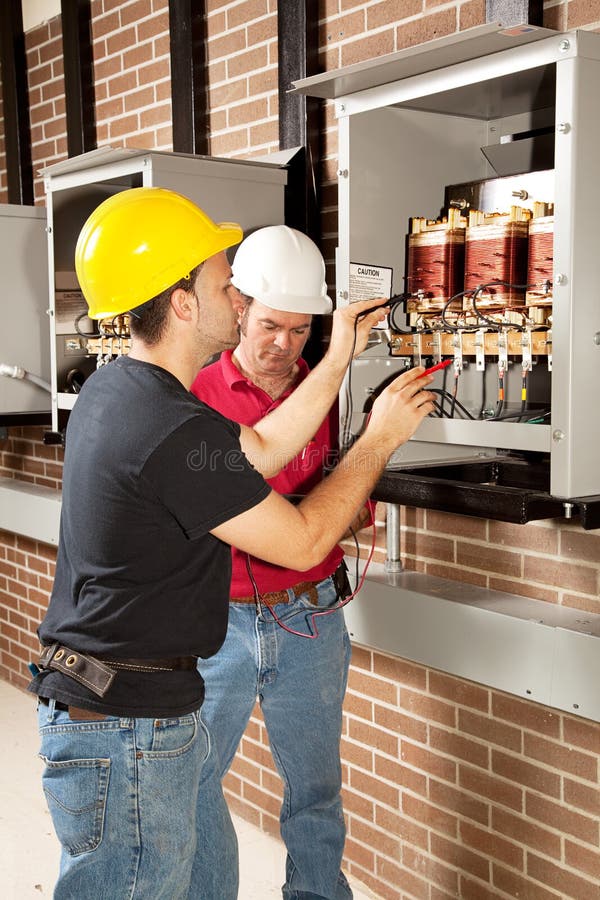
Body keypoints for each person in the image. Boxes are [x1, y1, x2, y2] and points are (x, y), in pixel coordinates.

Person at [28, 187, 434, 900]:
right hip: (126, 731)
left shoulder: (120, 392)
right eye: (225, 282)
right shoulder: (170, 430)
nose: (238, 300)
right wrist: (380, 438)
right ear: (183, 302)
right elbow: (305, 539)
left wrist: (337, 358)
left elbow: (262, 449)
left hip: (150, 715)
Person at [191, 225, 362, 900]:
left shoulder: (327, 393)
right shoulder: (196, 397)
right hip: (218, 626)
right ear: (238, 308)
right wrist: (290, 515)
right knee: (196, 782)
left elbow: (348, 502)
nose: (283, 346)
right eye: (270, 326)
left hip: (312, 620)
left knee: (316, 791)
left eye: (298, 331)